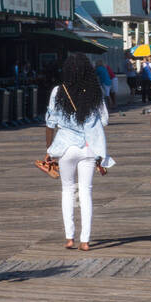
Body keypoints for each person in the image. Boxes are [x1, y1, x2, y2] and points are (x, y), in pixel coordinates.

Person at [45, 53, 109, 251]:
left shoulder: (58, 91)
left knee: (67, 190)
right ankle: (85, 240)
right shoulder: (94, 91)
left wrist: (49, 151)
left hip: (65, 147)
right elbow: (105, 119)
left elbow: (50, 122)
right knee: (86, 192)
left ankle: (69, 237)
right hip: (89, 147)